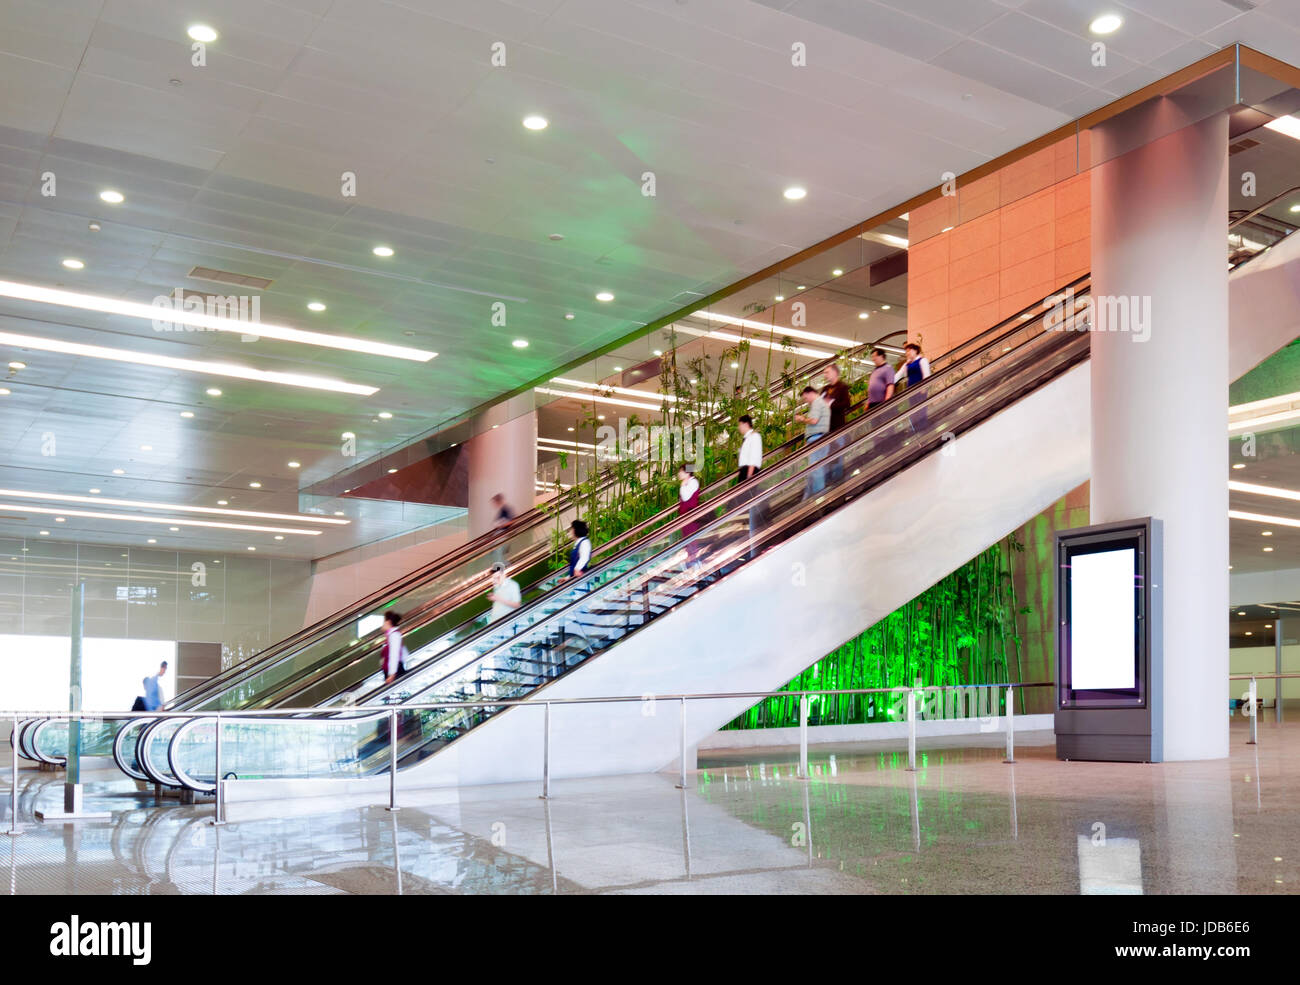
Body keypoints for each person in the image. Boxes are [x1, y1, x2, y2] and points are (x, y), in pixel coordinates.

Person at [794, 385, 831, 496]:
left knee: (816, 469)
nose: (806, 401)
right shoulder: (821, 403)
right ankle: (815, 493)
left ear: (810, 393)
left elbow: (814, 421)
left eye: (805, 398)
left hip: (817, 438)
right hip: (820, 438)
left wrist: (802, 419)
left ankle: (818, 494)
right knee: (818, 468)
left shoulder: (816, 402)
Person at [821, 363, 851, 484]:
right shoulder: (825, 389)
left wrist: (830, 404)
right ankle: (829, 482)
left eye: (827, 372)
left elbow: (846, 404)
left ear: (835, 372)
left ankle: (838, 483)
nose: (825, 375)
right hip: (826, 429)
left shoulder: (842, 387)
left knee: (837, 457)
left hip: (838, 428)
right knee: (827, 457)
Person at [902, 342, 933, 434]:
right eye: (906, 351)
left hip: (919, 389)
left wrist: (924, 387)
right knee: (913, 409)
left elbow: (926, 374)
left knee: (921, 408)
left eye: (909, 351)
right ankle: (915, 427)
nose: (907, 353)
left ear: (915, 351)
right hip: (911, 390)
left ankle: (922, 427)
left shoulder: (922, 360)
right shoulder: (908, 364)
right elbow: (902, 375)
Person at [677, 465, 702, 566]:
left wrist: (683, 485)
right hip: (685, 516)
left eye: (681, 472)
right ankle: (691, 561)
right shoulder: (689, 482)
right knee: (687, 539)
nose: (679, 474)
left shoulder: (693, 482)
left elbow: (686, 497)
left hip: (690, 516)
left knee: (691, 539)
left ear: (687, 473)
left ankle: (694, 562)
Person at [380, 610, 408, 685]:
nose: (382, 625)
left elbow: (394, 654)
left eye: (383, 622)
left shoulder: (394, 635)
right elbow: (404, 653)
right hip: (393, 671)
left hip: (394, 673)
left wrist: (392, 674)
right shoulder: (391, 635)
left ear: (388, 622)